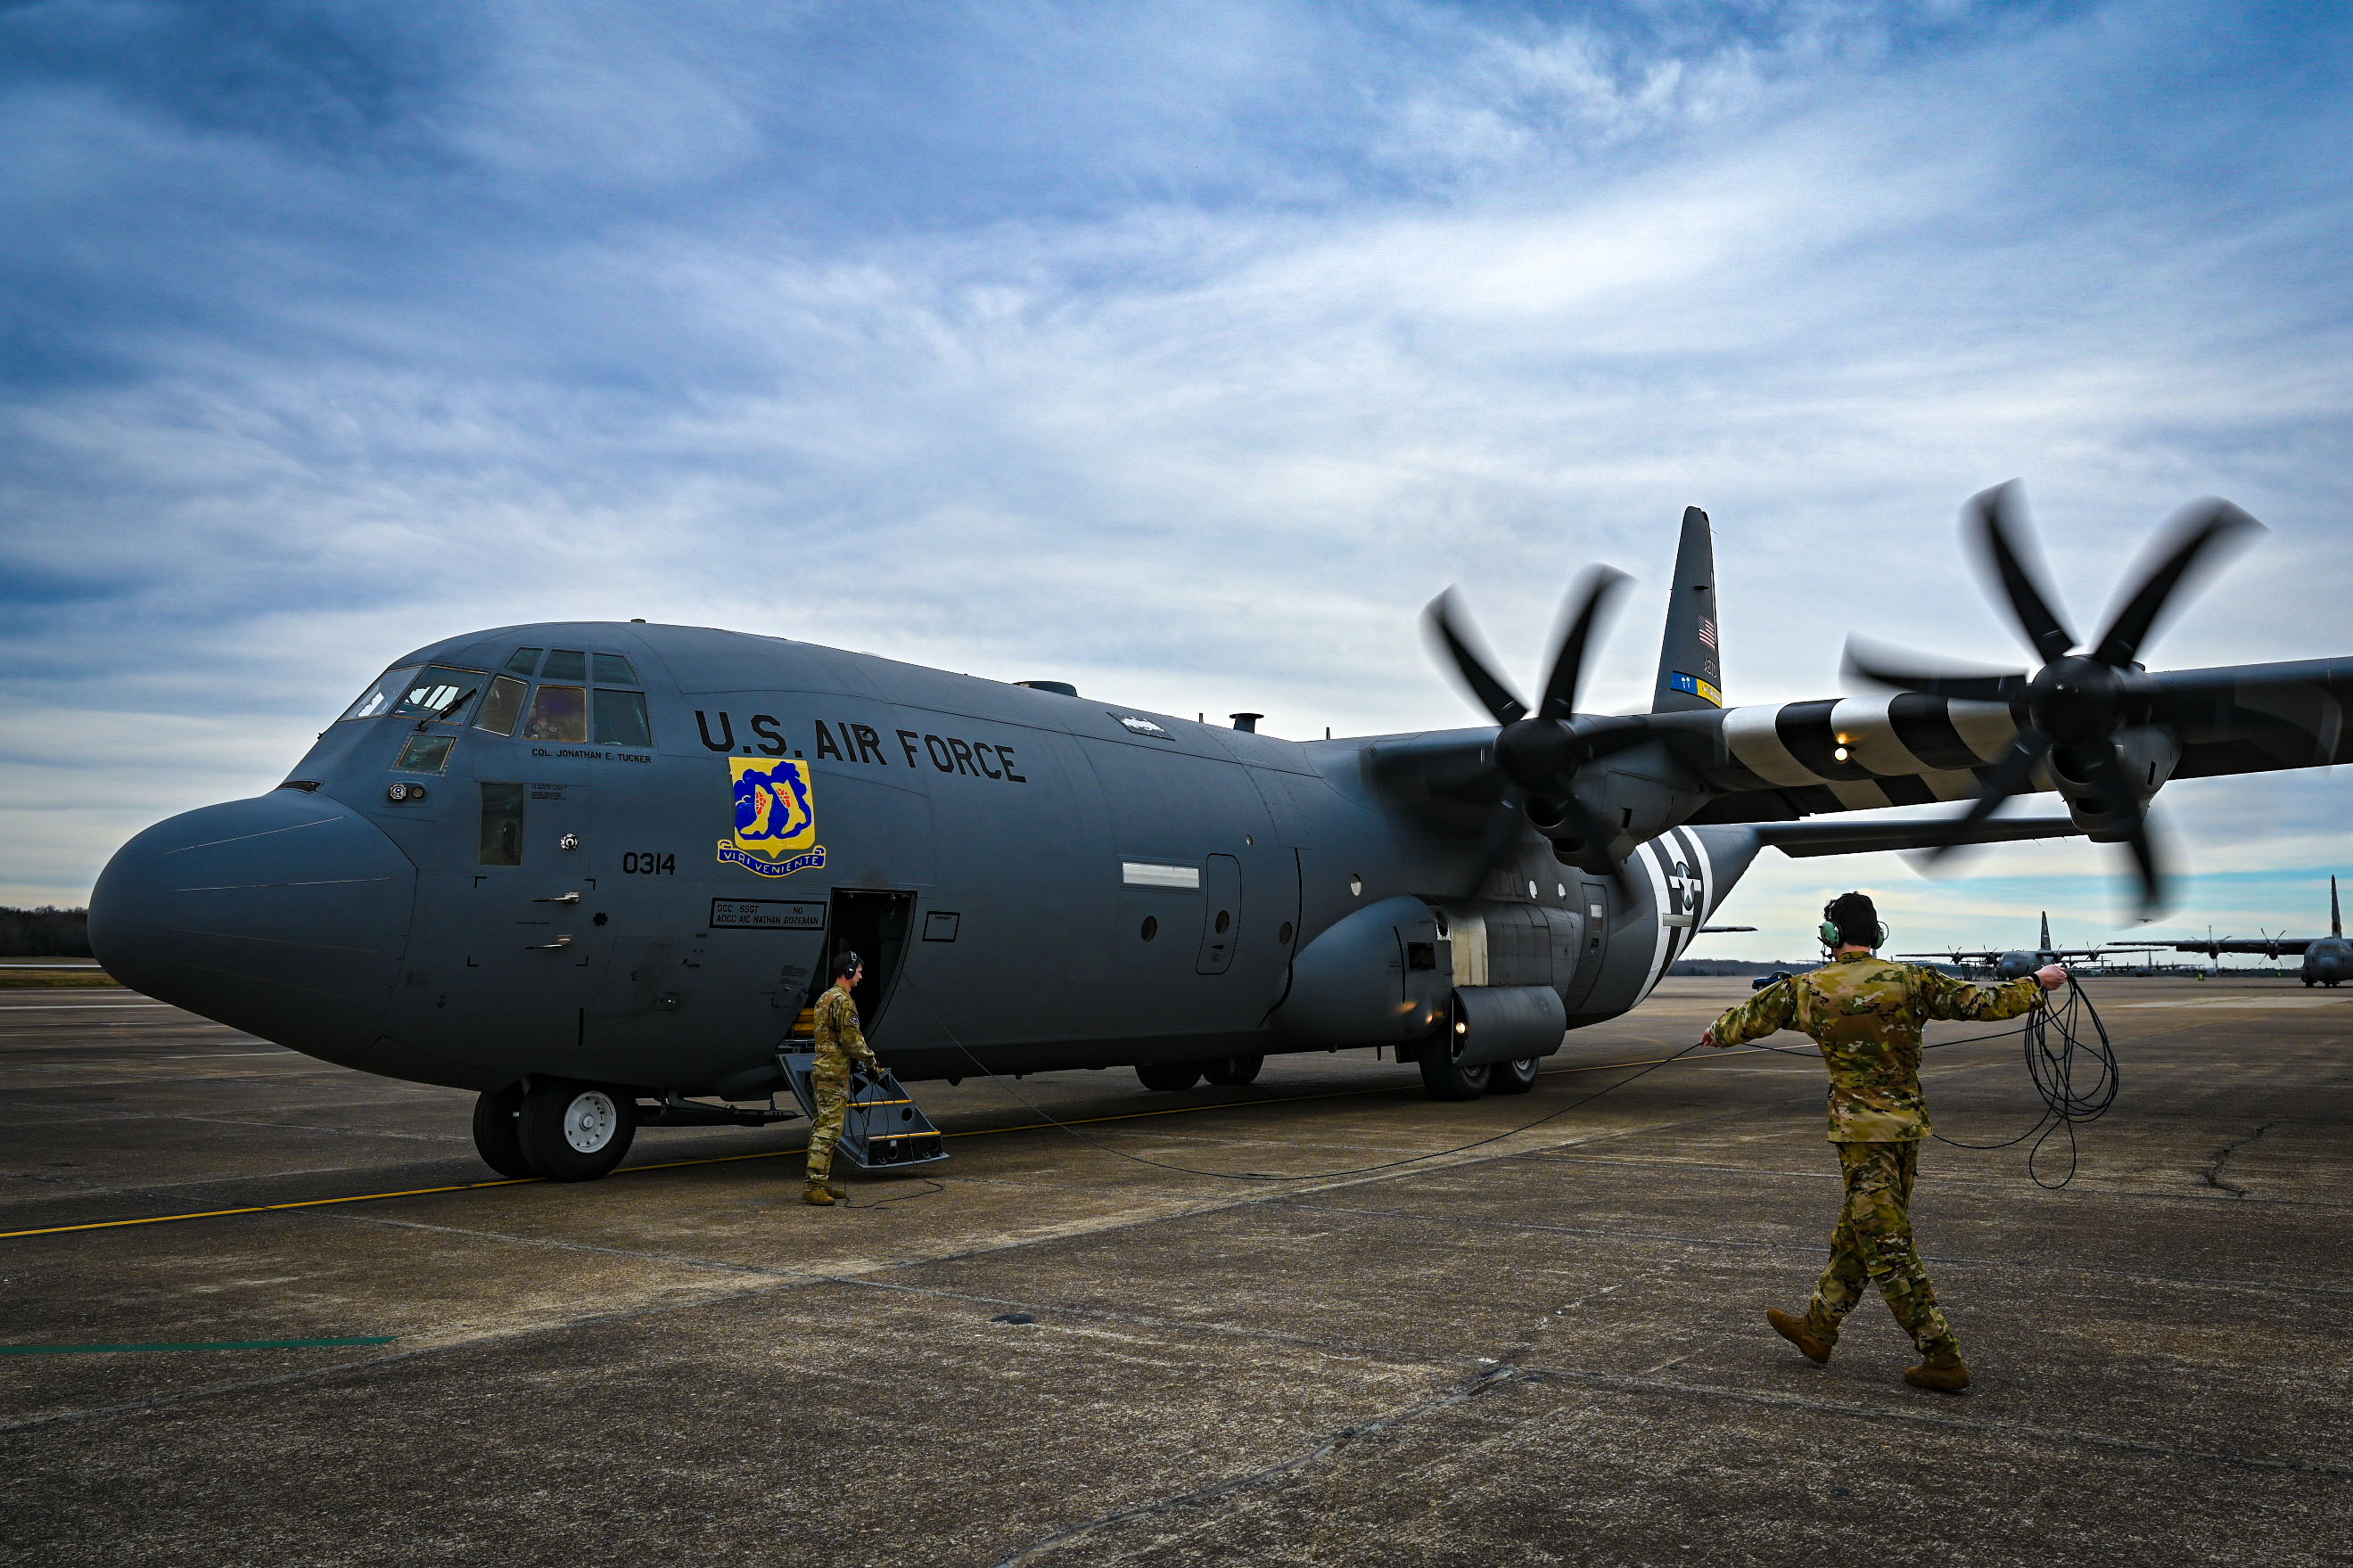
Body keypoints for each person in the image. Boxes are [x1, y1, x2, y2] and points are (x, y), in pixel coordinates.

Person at [1699, 891, 2067, 1391]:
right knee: (1860, 1230)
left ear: (1830, 936)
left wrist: (1716, 1033)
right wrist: (2036, 984)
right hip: (1905, 1130)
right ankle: (1818, 1328)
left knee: (1886, 1244)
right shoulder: (1911, 980)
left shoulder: (1806, 989)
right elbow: (1982, 1002)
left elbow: (1743, 1021)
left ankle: (1941, 1355)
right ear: (1877, 935)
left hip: (1860, 1135)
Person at [803, 950, 882, 1207]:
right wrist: (871, 1062)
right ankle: (814, 1186)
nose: (861, 975)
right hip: (834, 1074)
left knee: (823, 1127)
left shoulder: (824, 999)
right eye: (858, 970)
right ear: (848, 972)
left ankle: (820, 1181)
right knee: (829, 1130)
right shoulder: (844, 1002)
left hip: (823, 1070)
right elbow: (851, 1040)